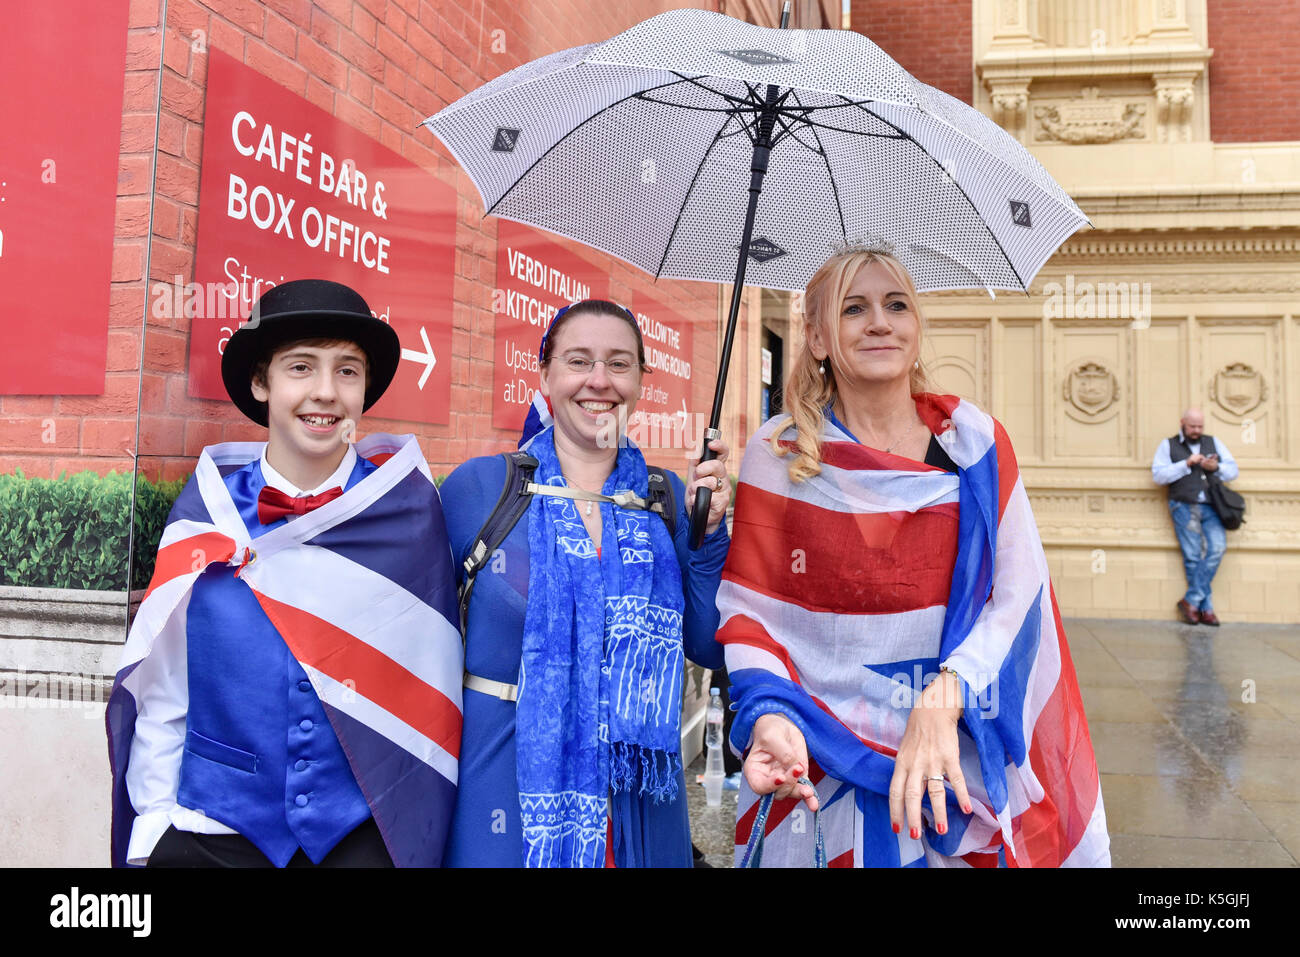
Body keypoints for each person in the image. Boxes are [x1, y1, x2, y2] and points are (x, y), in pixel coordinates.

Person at [717, 247, 1110, 868]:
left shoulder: (975, 444)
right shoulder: (779, 451)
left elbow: (1019, 594)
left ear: (916, 325)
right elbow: (750, 611)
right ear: (817, 338)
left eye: (896, 305)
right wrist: (768, 716)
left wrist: (944, 696)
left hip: (953, 760)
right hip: (813, 757)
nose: (880, 322)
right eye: (854, 309)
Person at [106, 279, 462, 867]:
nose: (325, 392)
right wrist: (154, 828)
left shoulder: (409, 514)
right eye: (301, 367)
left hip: (362, 835)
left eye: (347, 371)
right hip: (213, 829)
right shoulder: (207, 515)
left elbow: (433, 691)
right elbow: (167, 689)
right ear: (260, 382)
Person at [439, 299, 732, 867]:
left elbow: (707, 644)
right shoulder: (481, 490)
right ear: (544, 374)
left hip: (639, 804)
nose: (599, 381)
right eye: (578, 361)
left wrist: (710, 534)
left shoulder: (667, 498)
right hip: (504, 794)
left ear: (641, 380)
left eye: (619, 363)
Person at [1151, 408, 1238, 626]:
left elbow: (1233, 471)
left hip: (1211, 505)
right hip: (1183, 505)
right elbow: (1158, 475)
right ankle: (1205, 609)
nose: (1197, 430)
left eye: (1200, 426)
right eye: (1192, 426)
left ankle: (1191, 601)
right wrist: (1186, 464)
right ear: (1183, 423)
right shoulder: (1168, 445)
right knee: (1192, 557)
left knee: (1217, 548)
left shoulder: (1213, 442)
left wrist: (1215, 467)